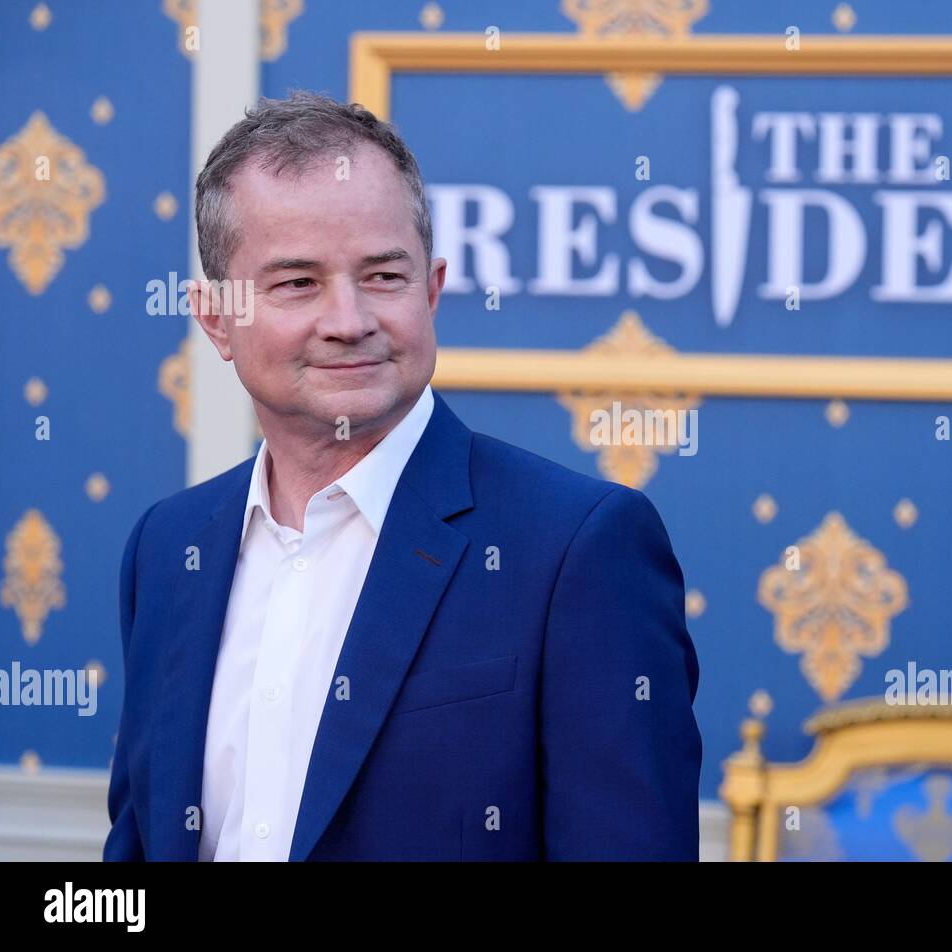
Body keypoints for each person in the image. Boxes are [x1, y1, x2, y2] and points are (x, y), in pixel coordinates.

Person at [103, 92, 701, 861]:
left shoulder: (579, 549)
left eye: (384, 276)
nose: (349, 321)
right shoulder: (167, 549)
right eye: (297, 283)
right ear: (216, 318)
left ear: (432, 289)